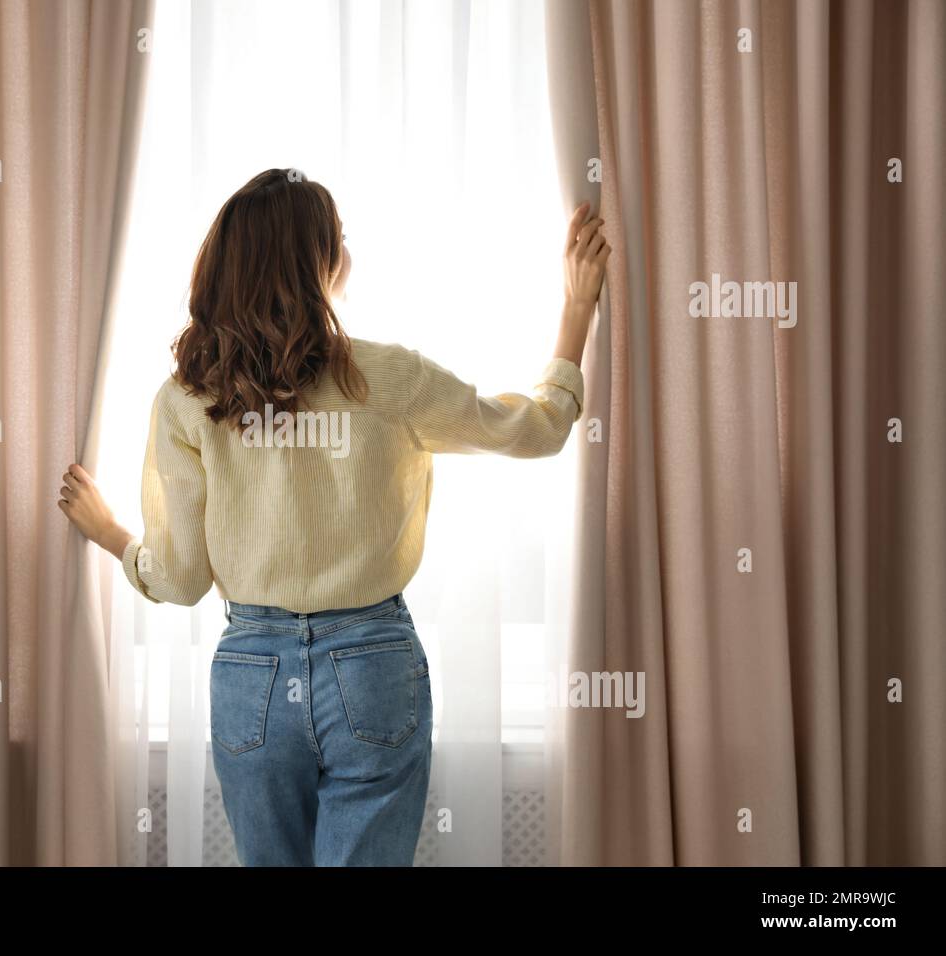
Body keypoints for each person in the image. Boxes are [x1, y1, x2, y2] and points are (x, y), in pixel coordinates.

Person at [58, 168, 609, 866]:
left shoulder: (187, 398)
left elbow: (181, 579)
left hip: (252, 672)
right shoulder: (389, 378)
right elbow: (537, 430)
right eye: (337, 238)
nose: (348, 249)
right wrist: (577, 309)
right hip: (371, 662)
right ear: (314, 263)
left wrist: (112, 535)